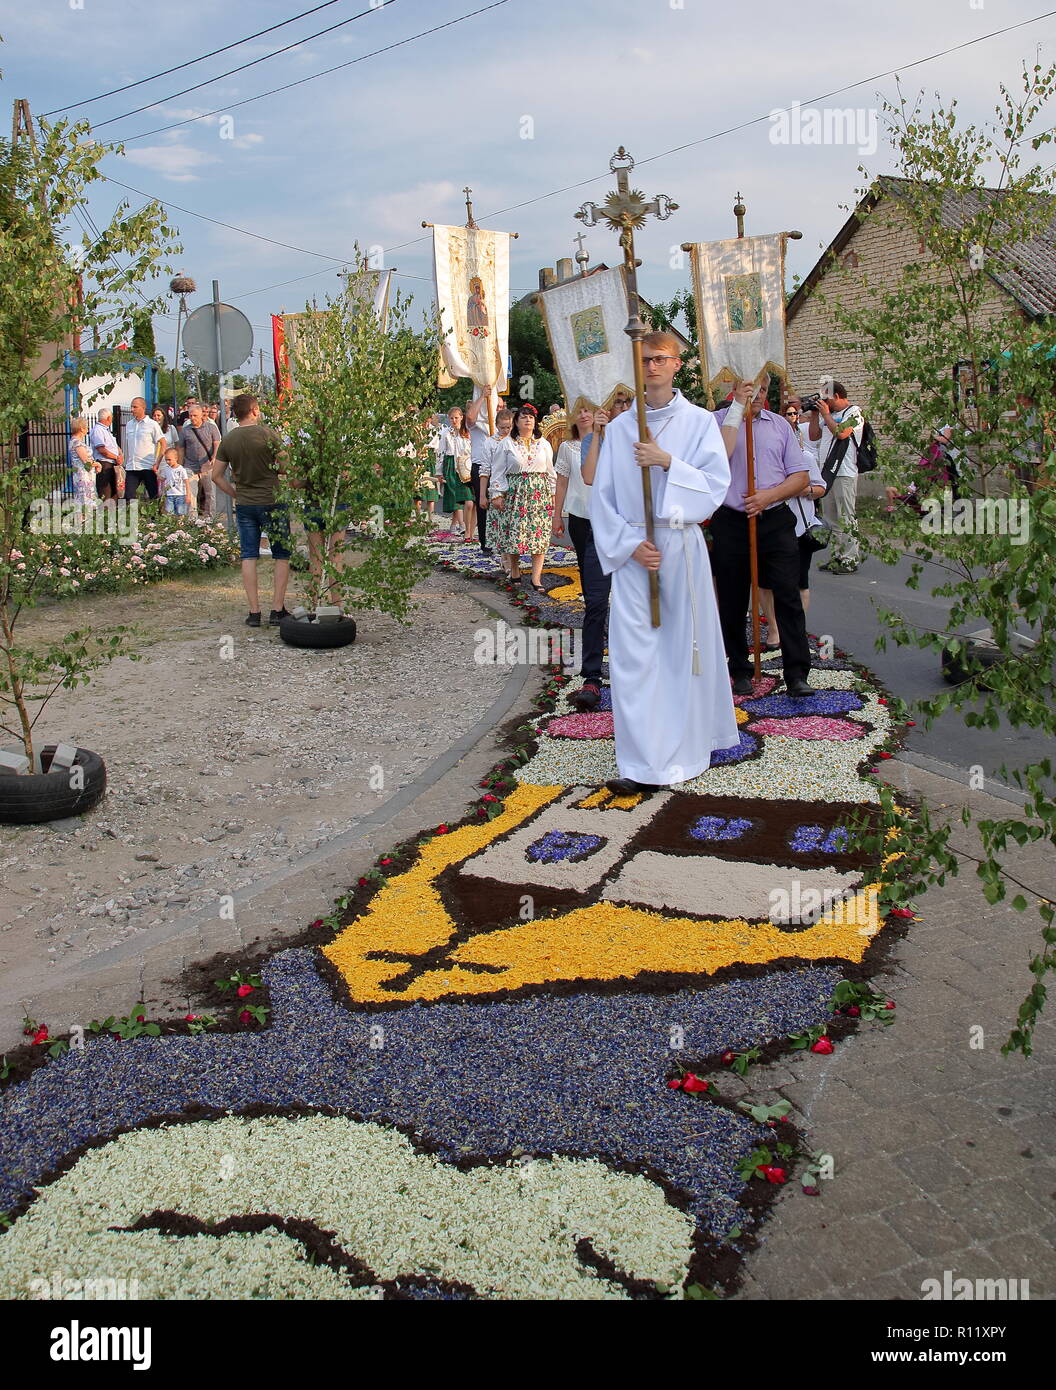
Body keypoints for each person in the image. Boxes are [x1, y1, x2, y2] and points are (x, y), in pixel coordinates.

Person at [591, 332, 739, 794]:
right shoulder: (618, 429)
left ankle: (685, 749)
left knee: (681, 653)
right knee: (636, 659)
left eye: (660, 359)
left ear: (678, 365)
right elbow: (602, 497)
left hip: (678, 546)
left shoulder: (698, 423)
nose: (651, 366)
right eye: (643, 360)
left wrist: (667, 461)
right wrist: (629, 544)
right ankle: (641, 763)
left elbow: (717, 484)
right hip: (637, 552)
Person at [711, 377, 813, 698]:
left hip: (774, 519)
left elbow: (800, 476)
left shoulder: (780, 426)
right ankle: (739, 668)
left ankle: (796, 673)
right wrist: (736, 411)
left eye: (763, 390)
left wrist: (768, 496)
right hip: (732, 520)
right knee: (732, 598)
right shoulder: (715, 422)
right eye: (749, 389)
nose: (756, 396)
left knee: (787, 594)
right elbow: (710, 462)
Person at [210, 393, 292, 627]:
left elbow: (216, 476)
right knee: (281, 555)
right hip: (272, 499)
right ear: (255, 410)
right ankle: (277, 609)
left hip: (245, 503)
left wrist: (235, 493)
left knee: (249, 555)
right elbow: (286, 467)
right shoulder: (268, 435)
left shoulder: (229, 439)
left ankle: (254, 612)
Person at [553, 405, 610, 710]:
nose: (587, 415)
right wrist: (556, 514)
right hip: (584, 519)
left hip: (622, 524)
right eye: (582, 410)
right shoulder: (571, 446)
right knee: (596, 600)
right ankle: (592, 675)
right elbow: (564, 481)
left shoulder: (625, 437)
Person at [760, 441, 826, 649]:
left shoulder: (805, 457)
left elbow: (820, 488)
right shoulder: (764, 458)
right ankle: (774, 628)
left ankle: (797, 627)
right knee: (765, 582)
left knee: (800, 581)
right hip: (770, 526)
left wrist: (800, 489)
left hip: (800, 527)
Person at [489, 403, 555, 591]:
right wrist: (497, 494)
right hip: (515, 493)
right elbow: (498, 471)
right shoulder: (507, 444)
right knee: (515, 534)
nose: (528, 420)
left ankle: (536, 578)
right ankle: (515, 569)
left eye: (531, 417)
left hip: (539, 494)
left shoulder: (543, 444)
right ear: (516, 422)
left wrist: (552, 496)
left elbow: (550, 471)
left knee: (539, 535)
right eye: (524, 417)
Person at [809, 378, 864, 573]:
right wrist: (816, 415)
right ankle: (837, 556)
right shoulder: (827, 415)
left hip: (844, 472)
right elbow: (814, 436)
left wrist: (826, 414)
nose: (825, 403)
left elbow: (841, 434)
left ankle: (850, 559)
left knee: (846, 516)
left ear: (837, 396)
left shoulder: (854, 413)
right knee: (831, 518)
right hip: (827, 473)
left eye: (826, 399)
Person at [479, 407, 514, 566]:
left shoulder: (515, 440)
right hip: (497, 486)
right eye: (502, 427)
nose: (506, 430)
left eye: (509, 427)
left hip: (514, 486)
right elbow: (485, 470)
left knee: (512, 525)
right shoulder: (490, 442)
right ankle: (505, 557)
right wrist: (482, 494)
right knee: (501, 524)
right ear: (497, 425)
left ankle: (511, 558)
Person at [179, 403, 221, 521]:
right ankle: (192, 519)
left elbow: (217, 442)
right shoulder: (185, 430)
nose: (192, 418)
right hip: (190, 465)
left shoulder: (211, 427)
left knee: (210, 493)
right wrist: (180, 465)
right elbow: (181, 448)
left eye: (195, 415)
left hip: (207, 465)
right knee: (191, 493)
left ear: (202, 415)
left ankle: (210, 518)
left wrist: (214, 456)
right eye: (190, 415)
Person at [122, 397, 164, 504]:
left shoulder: (152, 424)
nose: (132, 409)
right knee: (128, 496)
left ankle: (155, 519)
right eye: (131, 407)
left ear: (143, 408)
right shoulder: (129, 424)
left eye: (135, 407)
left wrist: (157, 462)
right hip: (132, 466)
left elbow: (163, 443)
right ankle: (130, 519)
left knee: (153, 496)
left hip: (147, 466)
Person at [439, 405, 473, 538]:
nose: (454, 420)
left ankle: (455, 524)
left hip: (465, 465)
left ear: (461, 418)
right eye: (452, 418)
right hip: (450, 463)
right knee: (453, 493)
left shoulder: (467, 432)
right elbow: (441, 452)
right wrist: (439, 471)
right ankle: (461, 524)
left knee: (463, 495)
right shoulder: (445, 433)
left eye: (456, 417)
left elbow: (469, 450)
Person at [465, 395, 494, 552]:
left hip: (499, 468)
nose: (498, 408)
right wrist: (483, 396)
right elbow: (470, 417)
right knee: (483, 505)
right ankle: (486, 542)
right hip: (480, 467)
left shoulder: (500, 425)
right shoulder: (477, 424)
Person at [89, 408, 122, 502]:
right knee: (106, 493)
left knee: (115, 492)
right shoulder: (98, 430)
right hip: (104, 464)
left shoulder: (106, 430)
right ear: (108, 418)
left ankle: (113, 513)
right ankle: (105, 513)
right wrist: (116, 457)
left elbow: (114, 446)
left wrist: (120, 454)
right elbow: (102, 450)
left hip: (113, 464)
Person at [68, 418, 98, 506]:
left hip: (83, 475)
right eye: (87, 427)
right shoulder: (77, 443)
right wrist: (98, 464)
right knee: (85, 501)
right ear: (81, 429)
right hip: (83, 476)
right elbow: (86, 461)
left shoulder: (75, 441)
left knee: (83, 500)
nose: (87, 430)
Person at [158, 447, 193, 516]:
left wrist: (188, 495)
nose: (167, 462)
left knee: (180, 512)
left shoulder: (181, 469)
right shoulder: (166, 469)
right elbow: (162, 479)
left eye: (169, 460)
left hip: (180, 494)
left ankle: (180, 525)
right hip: (169, 495)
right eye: (166, 460)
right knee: (169, 512)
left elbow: (186, 482)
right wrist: (156, 473)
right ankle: (171, 525)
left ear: (176, 458)